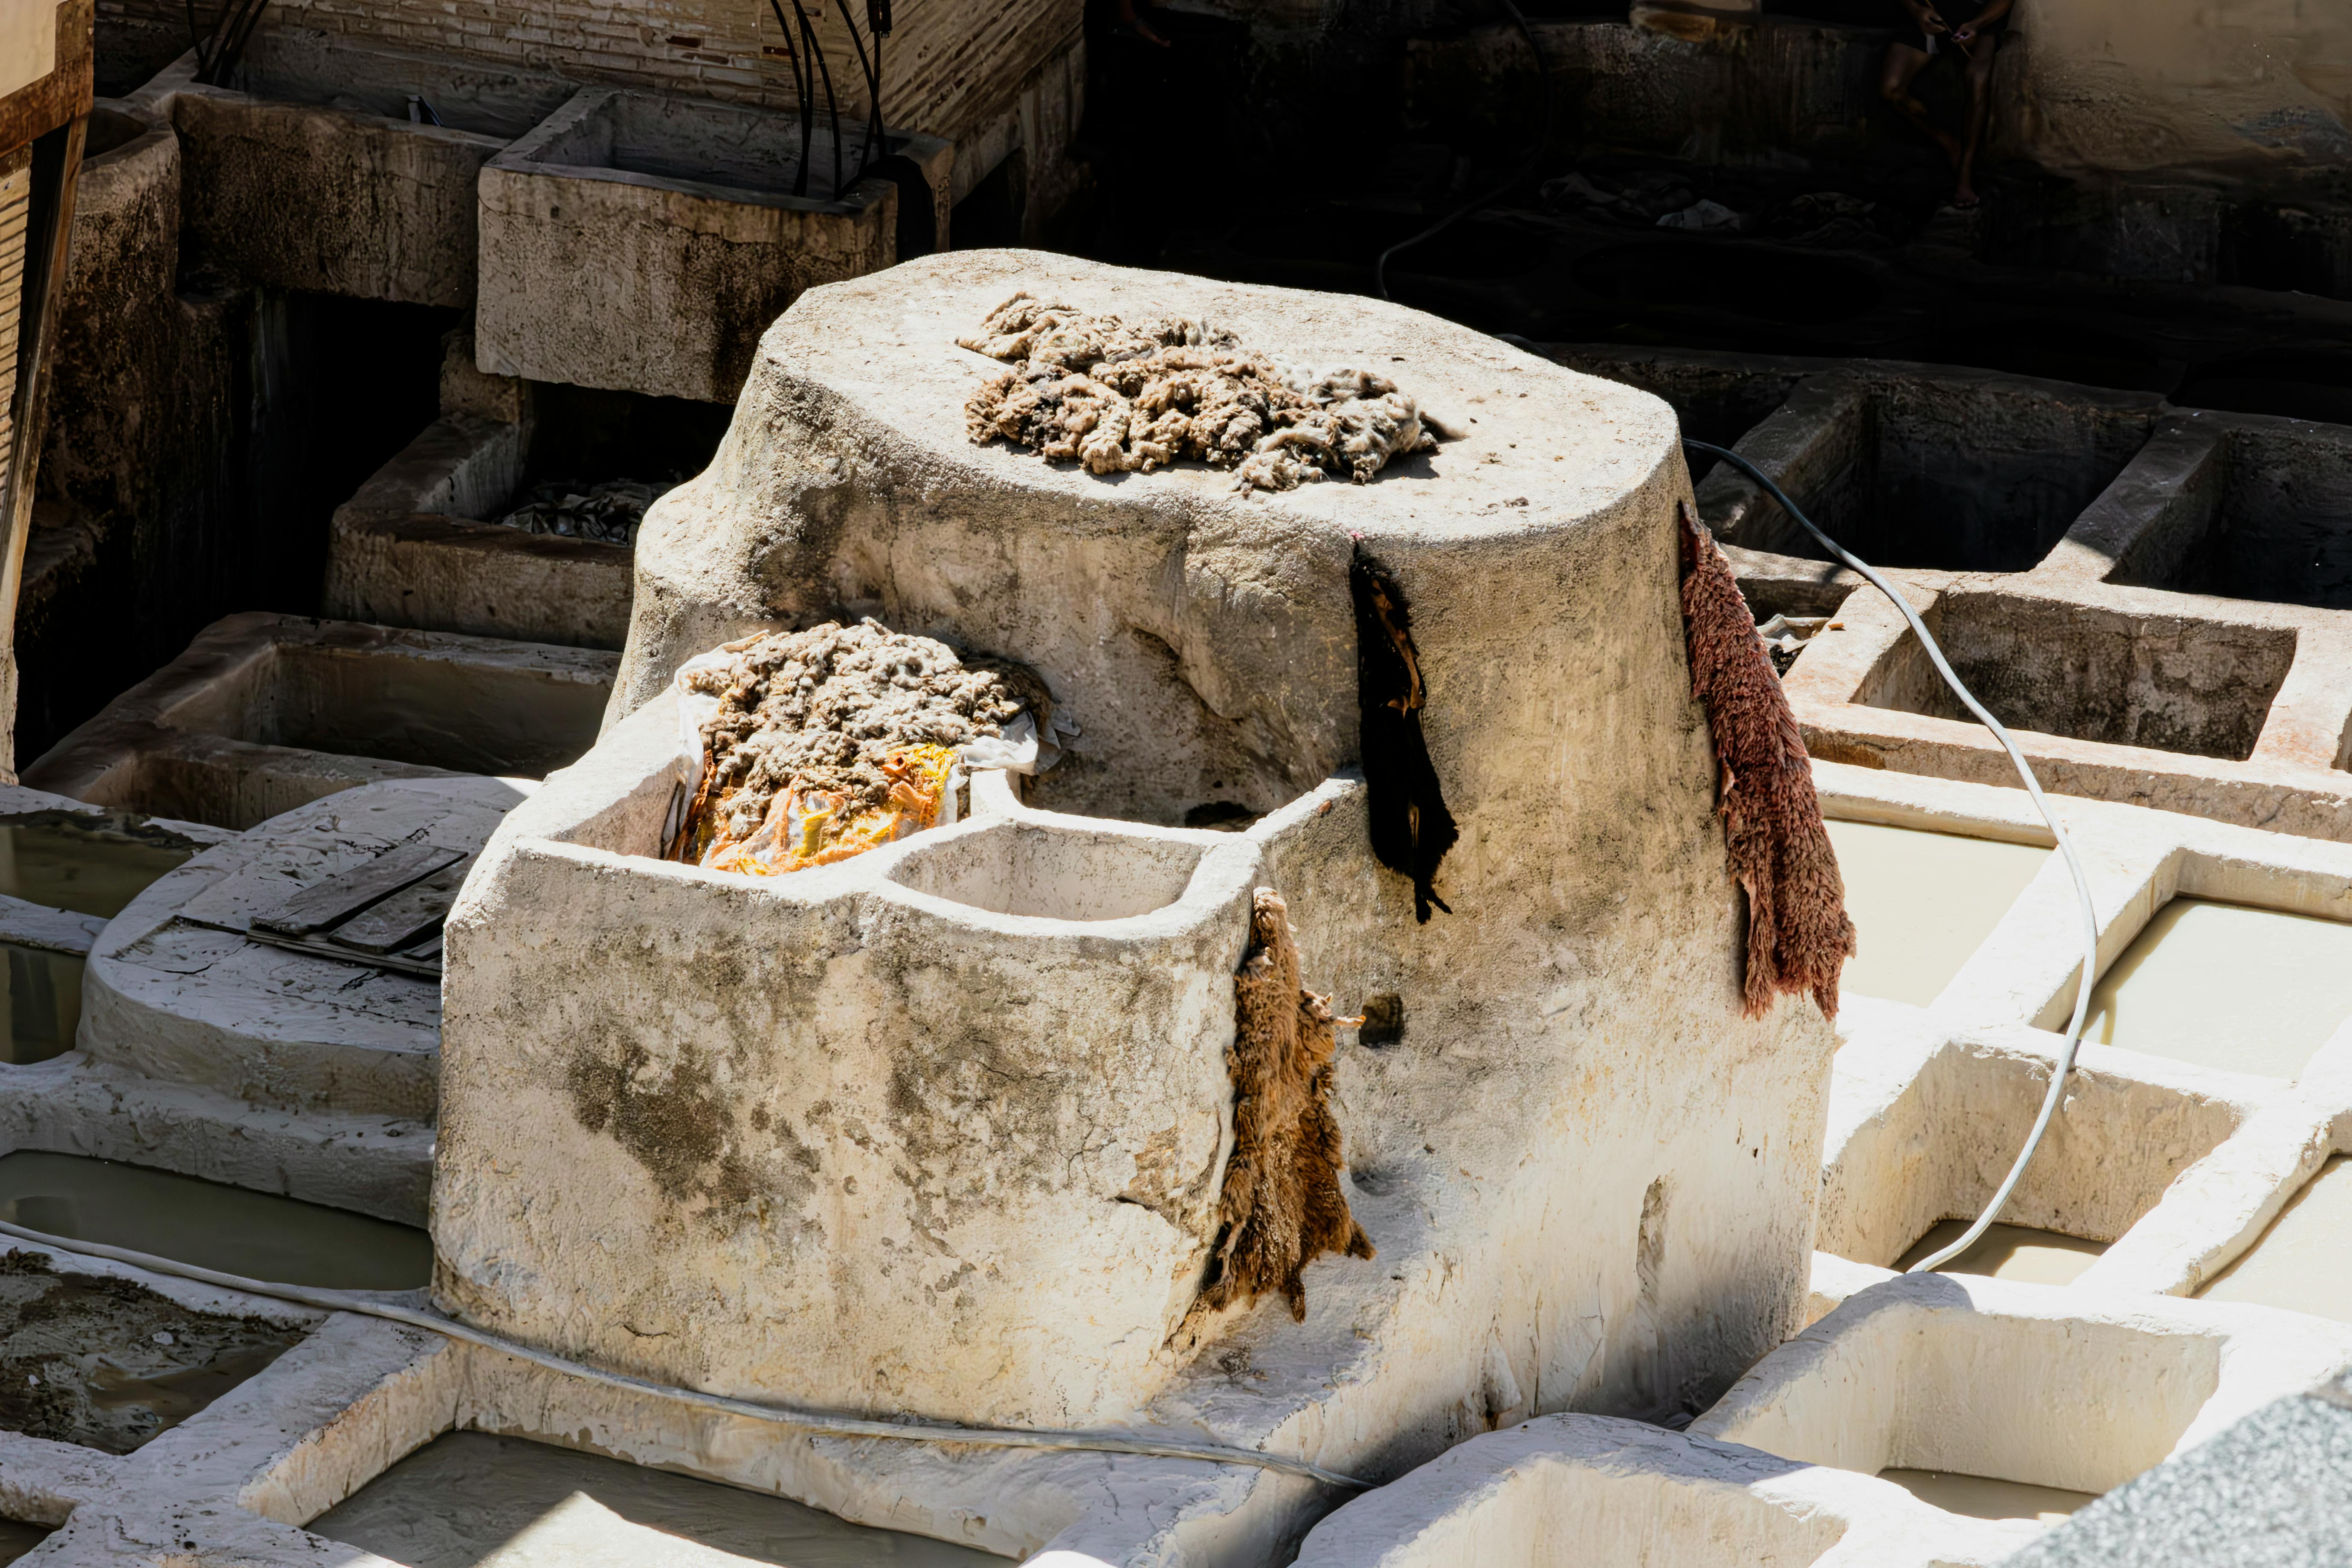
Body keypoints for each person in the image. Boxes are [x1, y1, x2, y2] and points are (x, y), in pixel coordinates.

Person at [1880, 0, 2012, 207]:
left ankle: (1965, 177)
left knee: (1978, 81)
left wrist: (1976, 24)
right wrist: (1917, 10)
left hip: (1982, 21)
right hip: (1935, 15)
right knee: (1891, 90)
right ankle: (1950, 145)